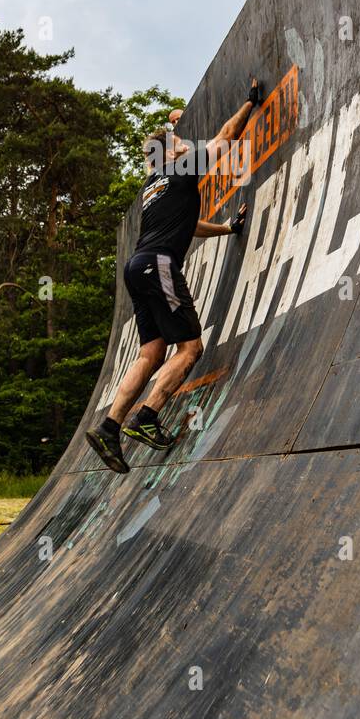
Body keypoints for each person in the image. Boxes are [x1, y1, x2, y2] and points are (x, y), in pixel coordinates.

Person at [85, 80, 261, 474]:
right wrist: (249, 102)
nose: (184, 143)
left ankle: (108, 429)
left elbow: (190, 225)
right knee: (191, 349)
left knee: (151, 353)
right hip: (160, 264)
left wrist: (227, 229)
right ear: (173, 154)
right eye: (178, 142)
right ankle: (146, 417)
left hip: (138, 267)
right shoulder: (182, 168)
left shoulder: (153, 186)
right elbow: (226, 136)